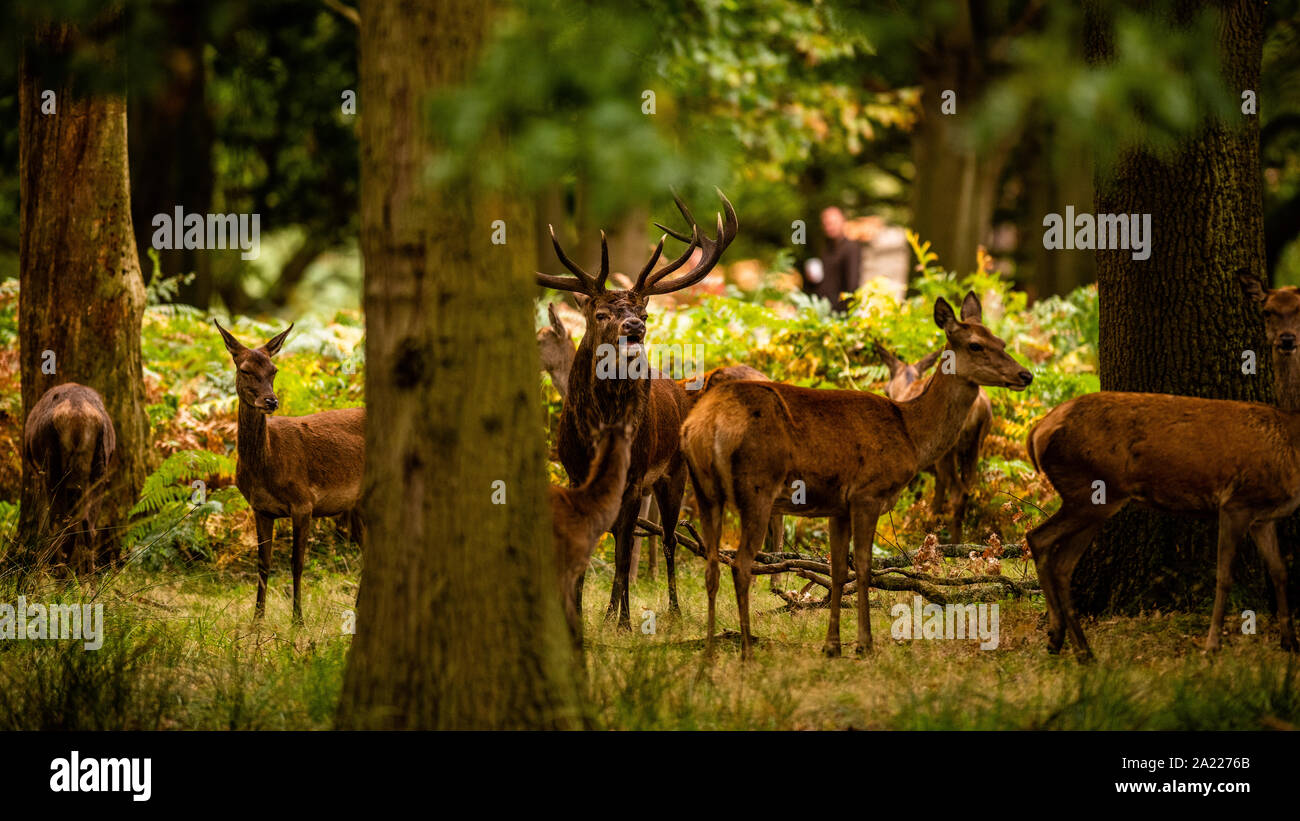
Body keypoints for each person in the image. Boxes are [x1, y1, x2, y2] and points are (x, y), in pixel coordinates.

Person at [802, 206, 861, 313]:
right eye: (826, 224)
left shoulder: (851, 248)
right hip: (820, 309)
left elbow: (852, 285)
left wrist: (848, 311)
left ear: (843, 222)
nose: (829, 227)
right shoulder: (823, 248)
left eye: (832, 223)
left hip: (840, 311)